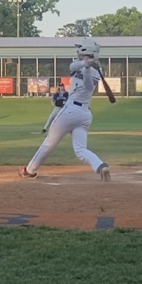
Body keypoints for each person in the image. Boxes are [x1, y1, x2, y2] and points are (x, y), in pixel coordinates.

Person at [19, 38, 111, 181]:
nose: (78, 51)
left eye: (80, 49)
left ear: (86, 50)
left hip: (70, 110)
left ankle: (30, 170)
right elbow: (73, 66)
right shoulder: (83, 65)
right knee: (81, 150)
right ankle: (101, 166)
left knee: (49, 143)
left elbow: (87, 86)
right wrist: (86, 64)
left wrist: (87, 68)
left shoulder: (93, 71)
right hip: (84, 115)